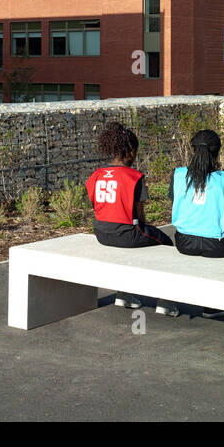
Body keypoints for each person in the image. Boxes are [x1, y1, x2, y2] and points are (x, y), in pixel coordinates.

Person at [85, 120, 174, 314]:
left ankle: (123, 294)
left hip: (100, 231)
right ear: (131, 151)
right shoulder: (134, 176)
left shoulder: (96, 175)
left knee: (132, 245)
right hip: (126, 232)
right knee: (166, 243)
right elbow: (140, 216)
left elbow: (98, 206)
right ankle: (165, 301)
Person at [169, 129, 224, 325]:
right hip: (216, 244)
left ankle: (211, 304)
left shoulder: (178, 175)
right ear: (217, 151)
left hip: (184, 241)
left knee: (211, 251)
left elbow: (176, 202)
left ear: (192, 150)